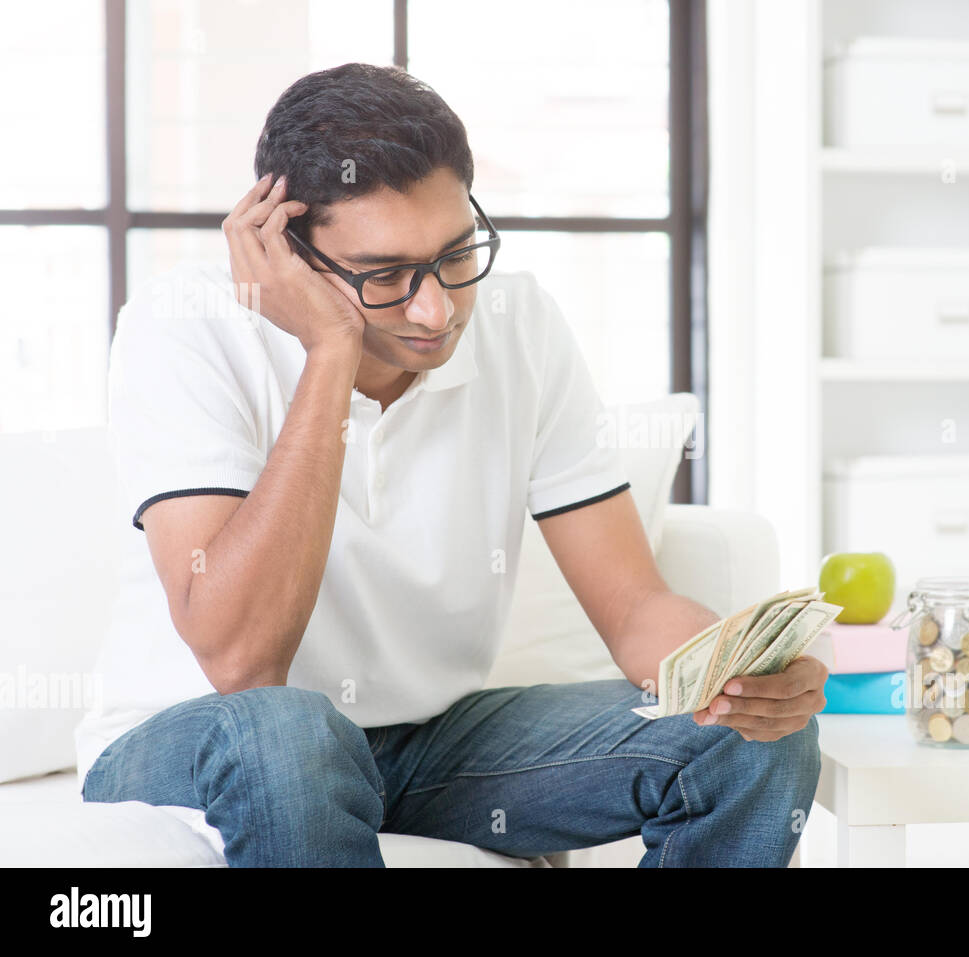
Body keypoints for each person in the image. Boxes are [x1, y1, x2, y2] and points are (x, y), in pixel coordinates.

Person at [77, 62, 826, 867]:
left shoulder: (520, 323)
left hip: (422, 746)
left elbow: (635, 609)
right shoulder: (186, 328)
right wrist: (329, 352)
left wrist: (745, 675)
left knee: (750, 741)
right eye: (385, 276)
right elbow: (243, 663)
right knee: (288, 728)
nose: (435, 309)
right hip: (205, 739)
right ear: (289, 255)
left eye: (457, 252)